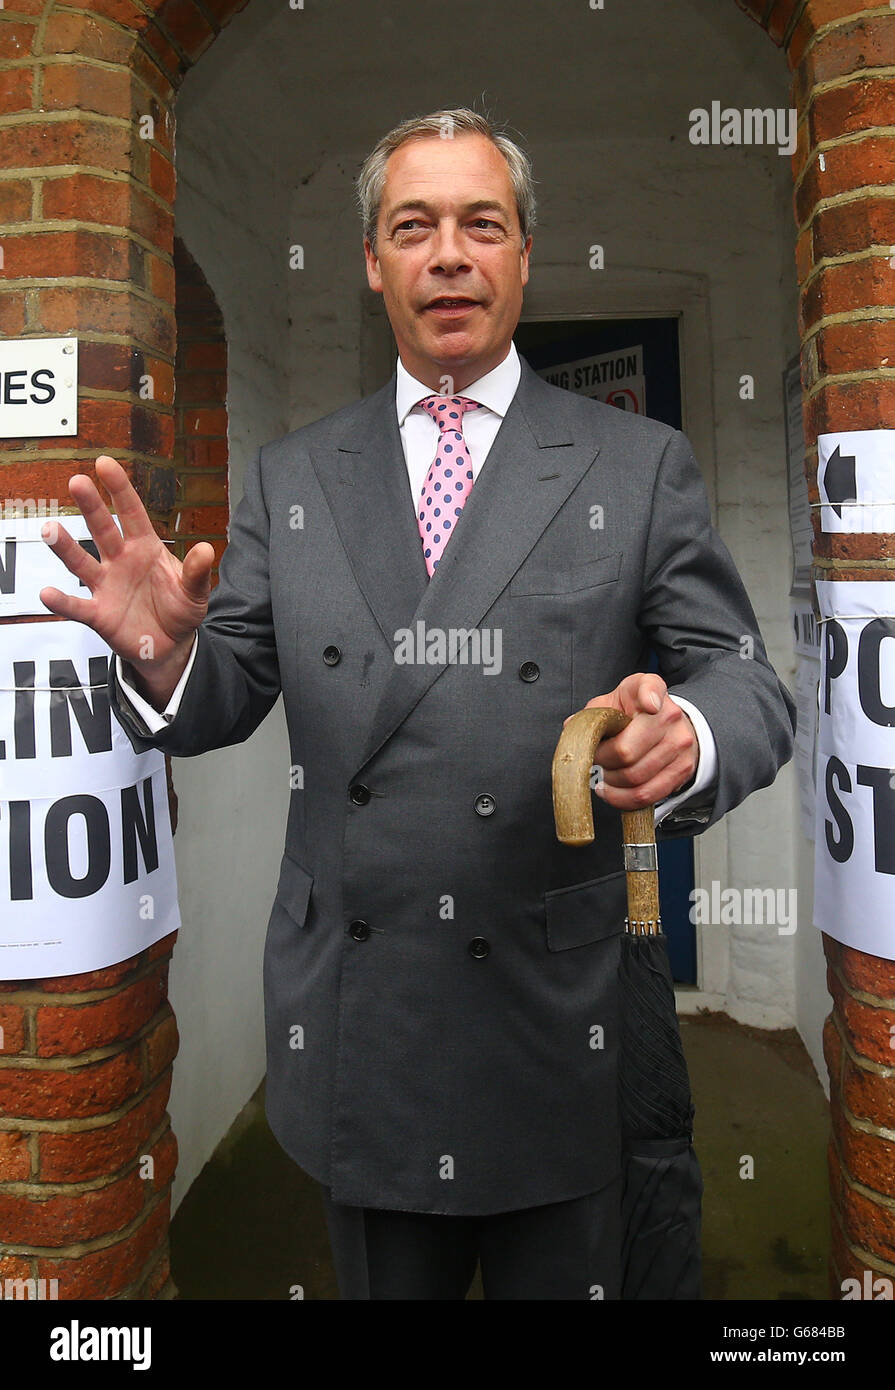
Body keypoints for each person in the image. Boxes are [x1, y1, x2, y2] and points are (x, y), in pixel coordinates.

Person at [39, 107, 796, 1300]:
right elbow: (225, 692)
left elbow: (747, 680)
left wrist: (688, 734)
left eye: (480, 224)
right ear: (372, 261)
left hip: (559, 1019)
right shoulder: (295, 476)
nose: (448, 253)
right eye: (414, 226)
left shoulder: (632, 466)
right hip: (365, 1022)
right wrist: (166, 656)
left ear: (524, 255)